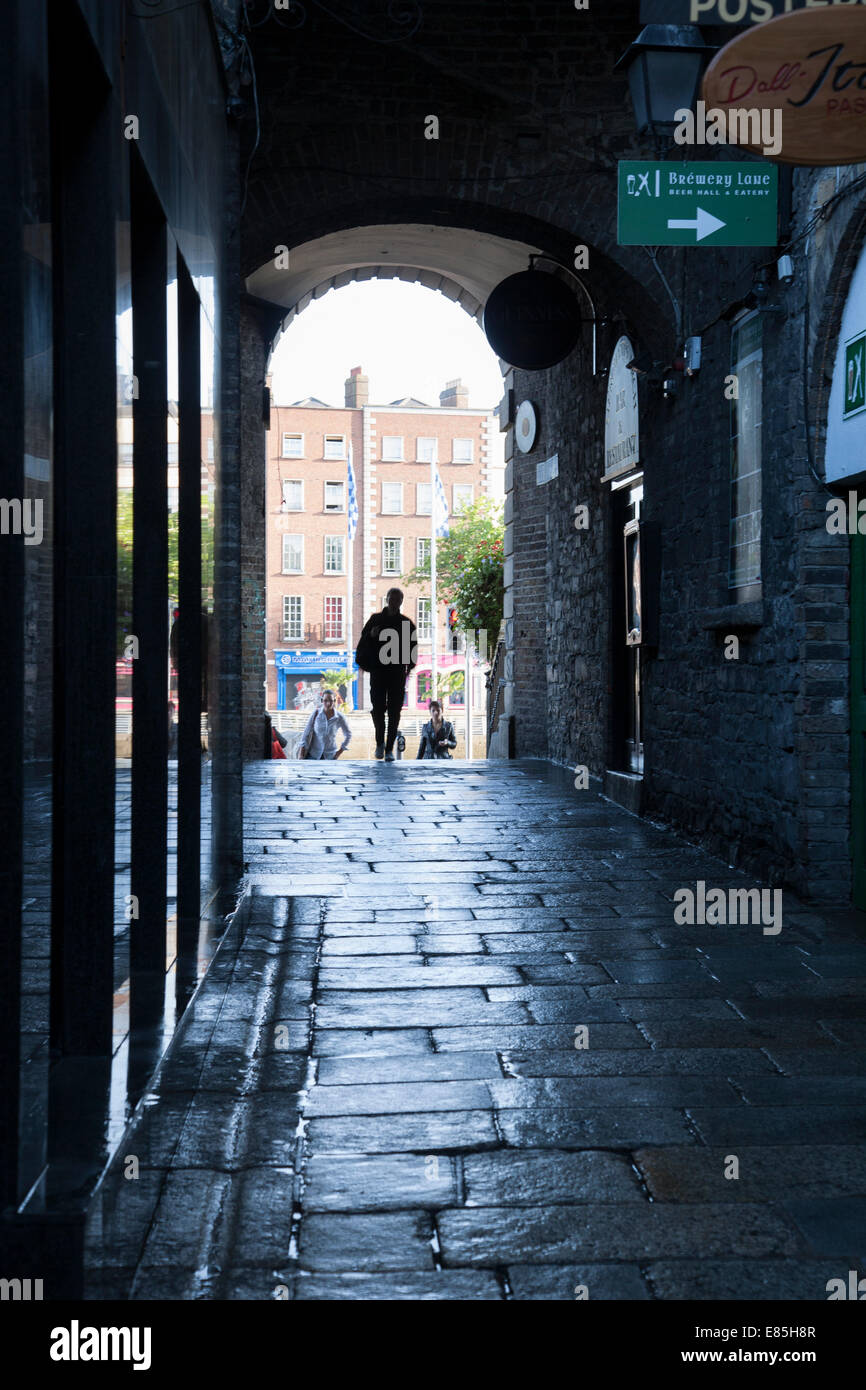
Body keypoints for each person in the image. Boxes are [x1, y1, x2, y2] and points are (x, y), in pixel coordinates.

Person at [355, 587, 417, 762]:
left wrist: (408, 668)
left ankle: (389, 748)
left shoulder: (406, 623)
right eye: (392, 598)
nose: (394, 602)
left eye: (397, 599)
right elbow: (363, 639)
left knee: (395, 712)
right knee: (378, 710)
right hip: (379, 672)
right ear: (387, 599)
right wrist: (371, 635)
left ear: (401, 602)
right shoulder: (375, 620)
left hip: (396, 673)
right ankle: (380, 744)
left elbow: (412, 648)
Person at [299, 689, 352, 760]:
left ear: (334, 701)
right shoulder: (316, 714)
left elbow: (348, 734)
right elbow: (306, 733)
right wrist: (301, 754)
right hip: (313, 756)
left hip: (330, 757)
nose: (328, 703)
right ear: (322, 701)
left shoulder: (339, 717)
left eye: (331, 700)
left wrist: (339, 752)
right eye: (325, 700)